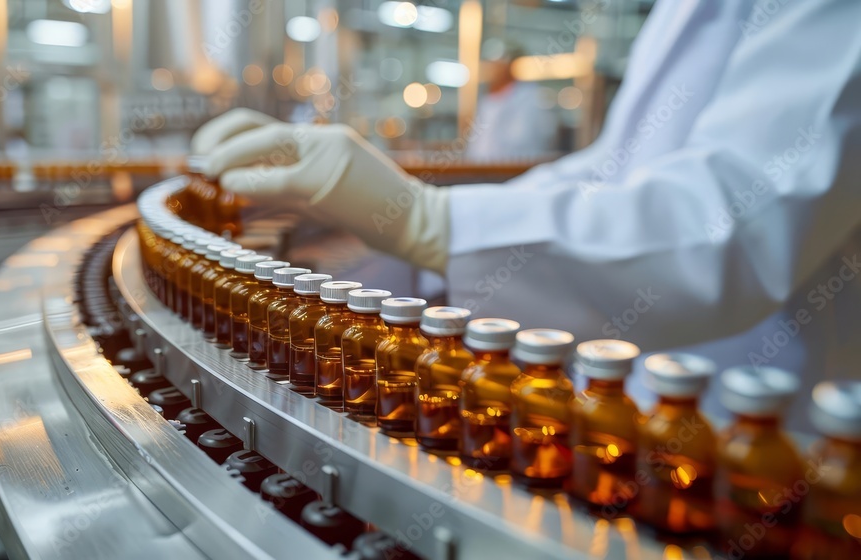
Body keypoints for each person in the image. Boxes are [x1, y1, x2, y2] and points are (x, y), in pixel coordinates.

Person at [190, 0, 861, 427]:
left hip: (756, 409)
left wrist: (432, 223)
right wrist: (433, 221)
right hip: (629, 389)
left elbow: (734, 223)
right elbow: (611, 171)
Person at [465, 39, 558, 162]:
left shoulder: (531, 98)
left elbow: (522, 140)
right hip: (479, 166)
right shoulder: (487, 98)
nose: (492, 69)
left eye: (498, 64)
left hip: (513, 168)